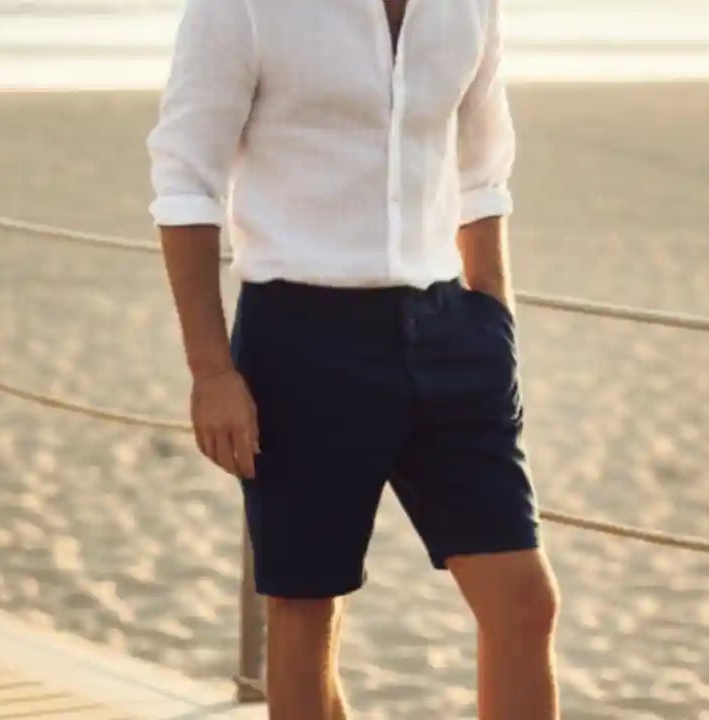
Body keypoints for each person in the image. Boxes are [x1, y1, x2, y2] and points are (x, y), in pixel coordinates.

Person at [147, 0, 560, 717]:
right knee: (306, 613)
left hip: (452, 336)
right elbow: (185, 184)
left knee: (524, 603)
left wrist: (493, 318)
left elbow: (483, 174)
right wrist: (211, 372)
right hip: (302, 340)